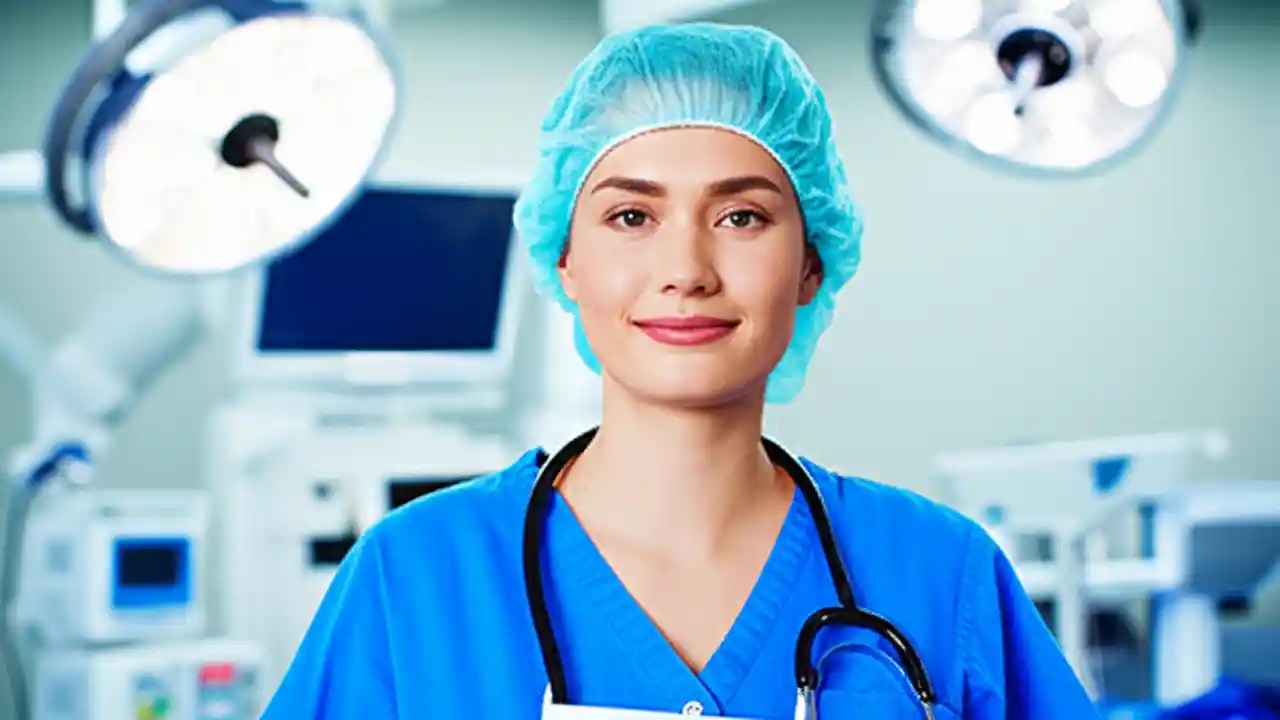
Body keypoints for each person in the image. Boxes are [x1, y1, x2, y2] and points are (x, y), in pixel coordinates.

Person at [261, 22, 1100, 719]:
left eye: (741, 216)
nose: (687, 270)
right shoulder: (416, 579)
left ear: (811, 266)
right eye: (631, 215)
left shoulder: (939, 574)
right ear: (566, 261)